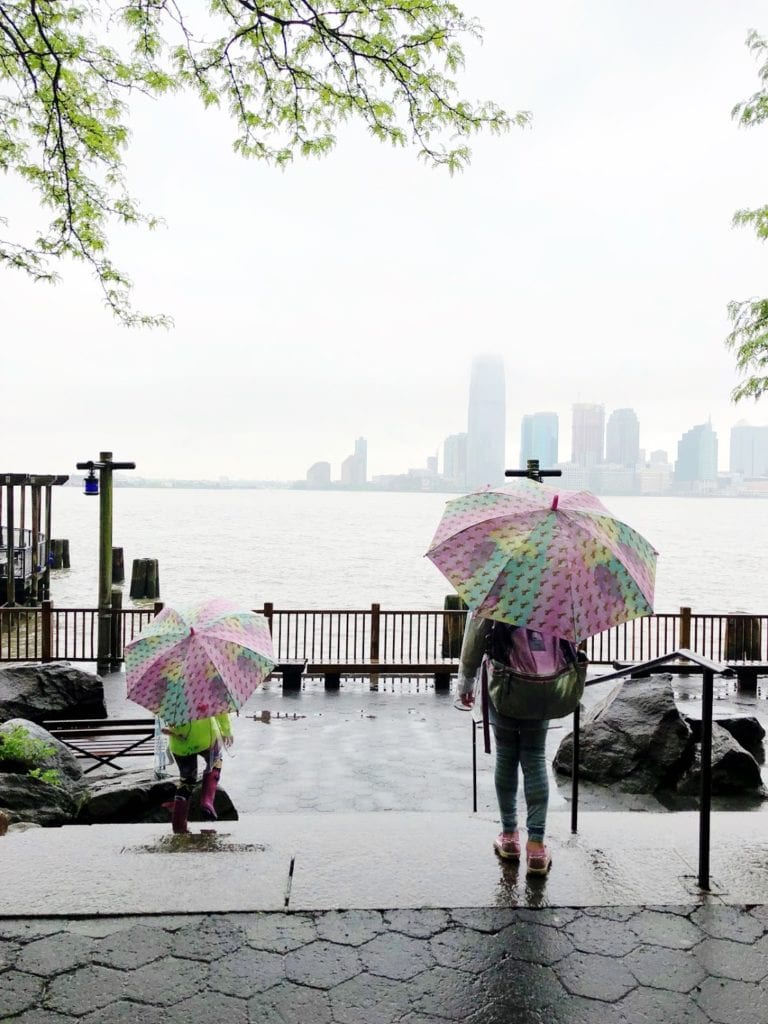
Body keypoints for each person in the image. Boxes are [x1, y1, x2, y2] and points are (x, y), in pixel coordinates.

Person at [458, 612, 555, 876]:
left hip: (503, 683)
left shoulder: (496, 587)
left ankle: (510, 836)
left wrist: (466, 682)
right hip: (541, 685)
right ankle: (536, 847)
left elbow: (474, 641)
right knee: (534, 757)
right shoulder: (557, 587)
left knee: (506, 756)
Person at [162, 713, 233, 834]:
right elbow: (220, 709)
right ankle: (207, 800)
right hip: (205, 738)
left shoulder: (169, 695)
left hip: (180, 742)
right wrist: (226, 731)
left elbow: (163, 714)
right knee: (216, 760)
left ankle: (179, 826)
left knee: (186, 782)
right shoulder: (209, 693)